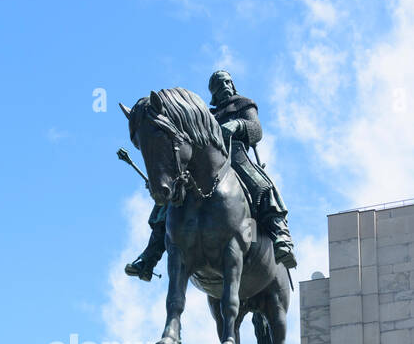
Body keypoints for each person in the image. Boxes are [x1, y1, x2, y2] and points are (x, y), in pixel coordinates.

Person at [124, 70, 297, 281]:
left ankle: (281, 236)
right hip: (206, 164)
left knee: (261, 185)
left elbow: (256, 130)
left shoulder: (243, 104)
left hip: (237, 155)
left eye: (227, 82)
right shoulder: (209, 115)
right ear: (213, 92)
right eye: (218, 85)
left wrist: (239, 124)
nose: (225, 86)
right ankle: (150, 257)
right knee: (168, 200)